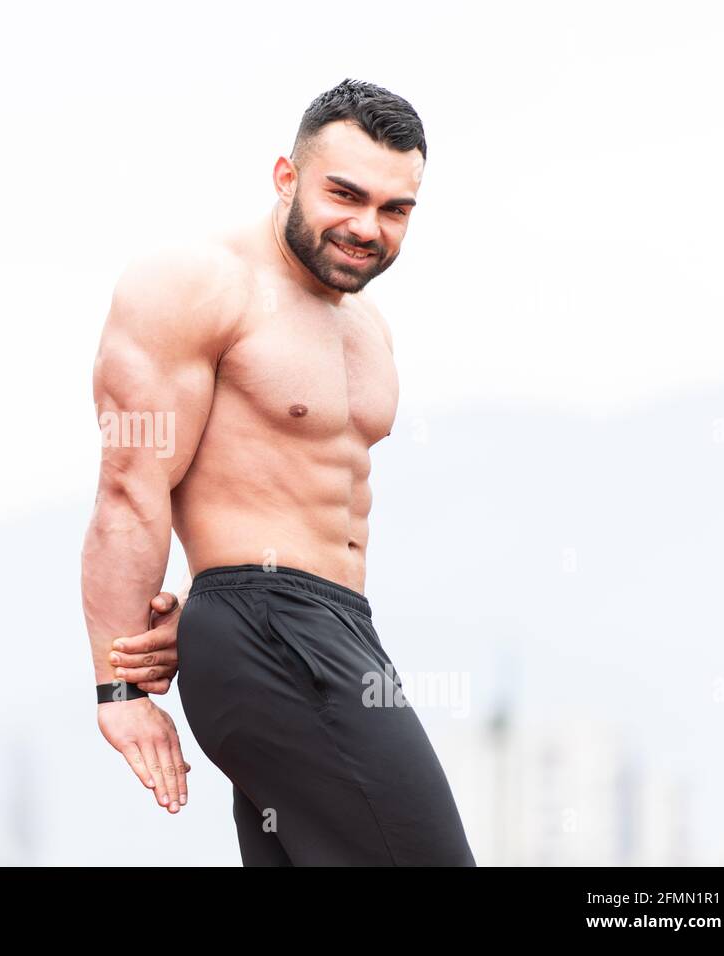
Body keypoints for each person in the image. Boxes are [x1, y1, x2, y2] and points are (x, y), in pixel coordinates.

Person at [81, 78, 475, 865]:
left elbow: (275, 489)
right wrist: (118, 691)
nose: (366, 227)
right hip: (272, 634)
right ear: (286, 177)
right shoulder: (195, 283)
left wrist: (203, 595)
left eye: (394, 209)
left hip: (338, 626)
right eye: (345, 195)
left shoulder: (367, 326)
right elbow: (130, 485)